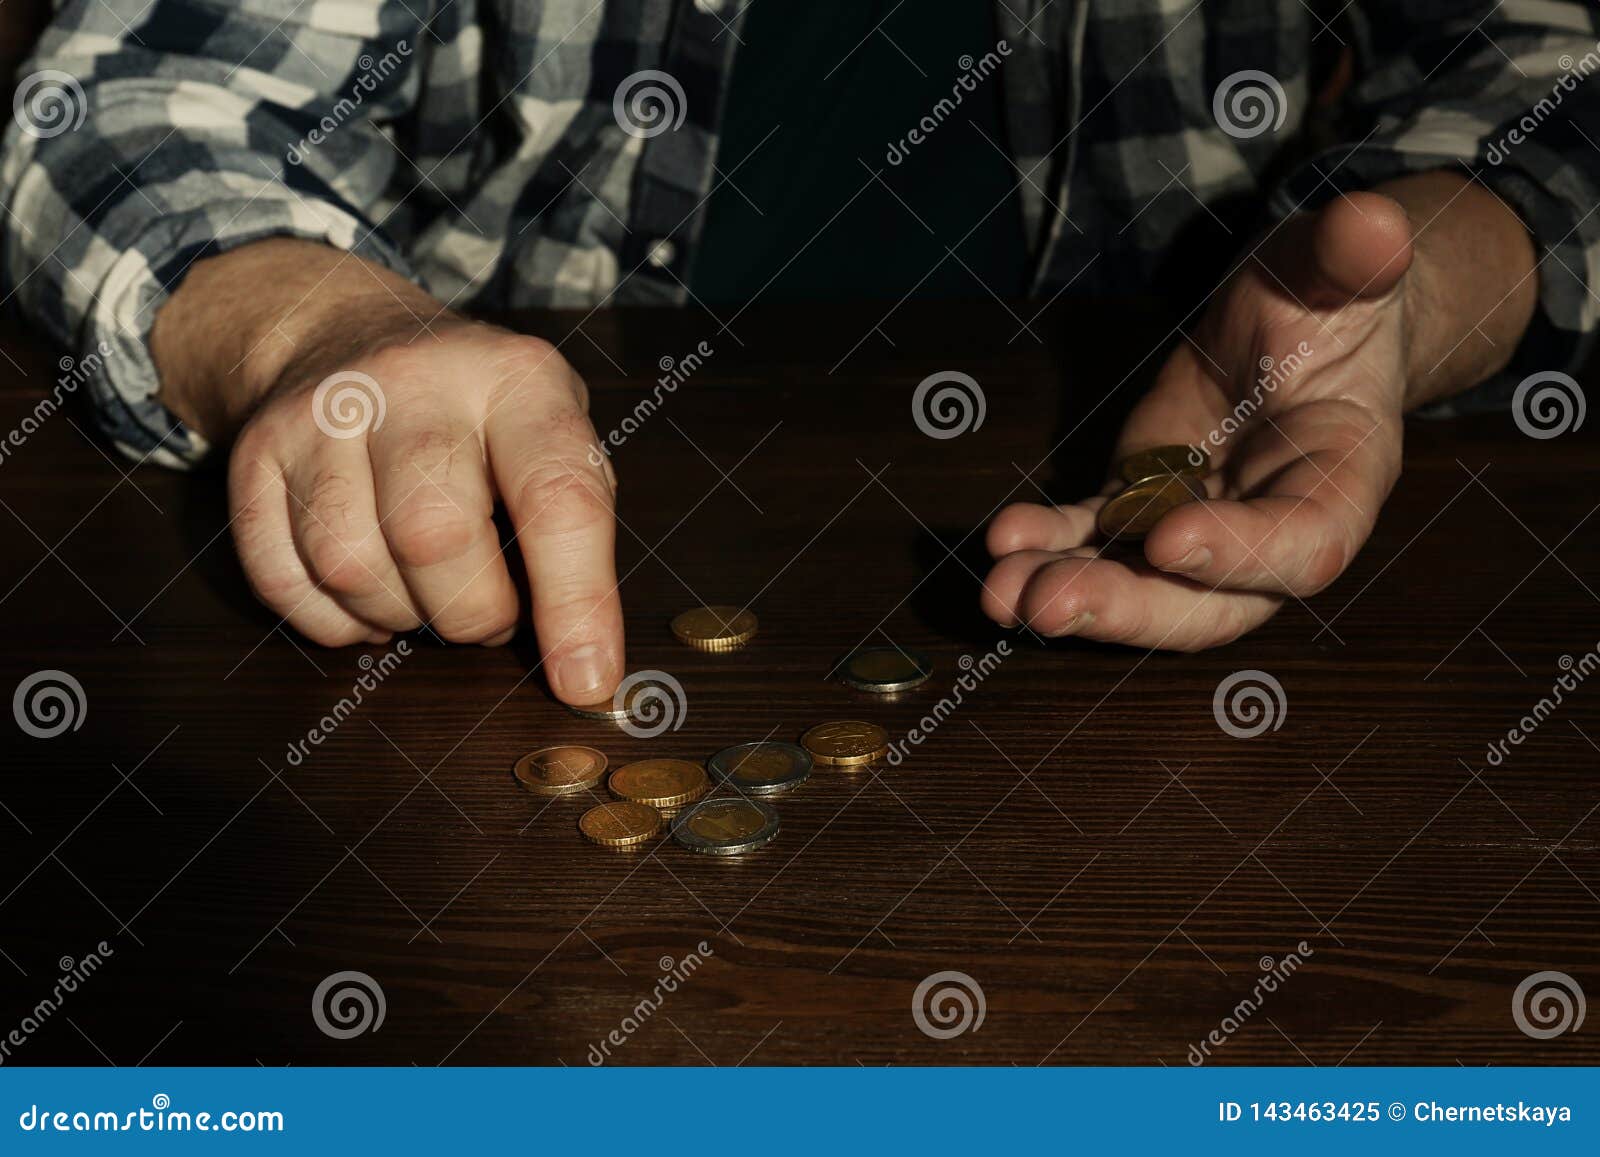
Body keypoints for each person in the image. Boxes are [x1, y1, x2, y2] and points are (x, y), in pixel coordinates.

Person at [2, 1, 1596, 705]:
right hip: (500, 528)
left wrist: (1432, 273)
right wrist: (324, 331)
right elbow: (131, 93)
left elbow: (1557, 64)